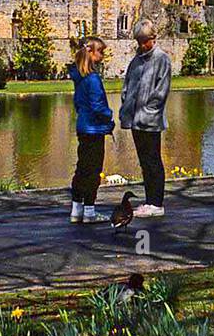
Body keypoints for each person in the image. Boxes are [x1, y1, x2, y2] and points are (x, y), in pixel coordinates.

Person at [119, 18, 172, 218]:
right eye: (139, 41)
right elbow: (127, 86)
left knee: (153, 161)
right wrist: (126, 104)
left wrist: (150, 109)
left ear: (153, 38)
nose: (142, 45)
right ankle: (149, 201)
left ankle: (156, 203)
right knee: (144, 161)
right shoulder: (136, 61)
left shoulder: (162, 59)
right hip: (134, 119)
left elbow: (162, 91)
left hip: (150, 119)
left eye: (144, 41)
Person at [68, 36, 115, 223]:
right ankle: (89, 211)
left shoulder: (79, 77)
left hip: (83, 127)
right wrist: (109, 115)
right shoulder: (93, 79)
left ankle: (76, 209)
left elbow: (79, 105)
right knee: (93, 171)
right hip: (94, 129)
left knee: (81, 169)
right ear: (91, 53)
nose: (102, 55)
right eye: (100, 51)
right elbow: (98, 107)